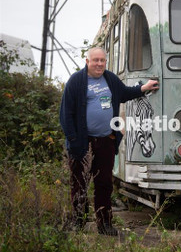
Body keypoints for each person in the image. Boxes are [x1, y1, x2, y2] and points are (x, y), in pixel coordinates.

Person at [59, 47, 159, 236]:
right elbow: (66, 114)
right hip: (82, 142)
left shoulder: (110, 78)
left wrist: (143, 88)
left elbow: (125, 93)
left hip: (105, 141)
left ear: (106, 62)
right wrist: (73, 140)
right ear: (87, 61)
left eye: (102, 60)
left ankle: (104, 223)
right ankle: (78, 222)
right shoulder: (76, 81)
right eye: (95, 60)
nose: (99, 64)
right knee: (79, 183)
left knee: (104, 184)